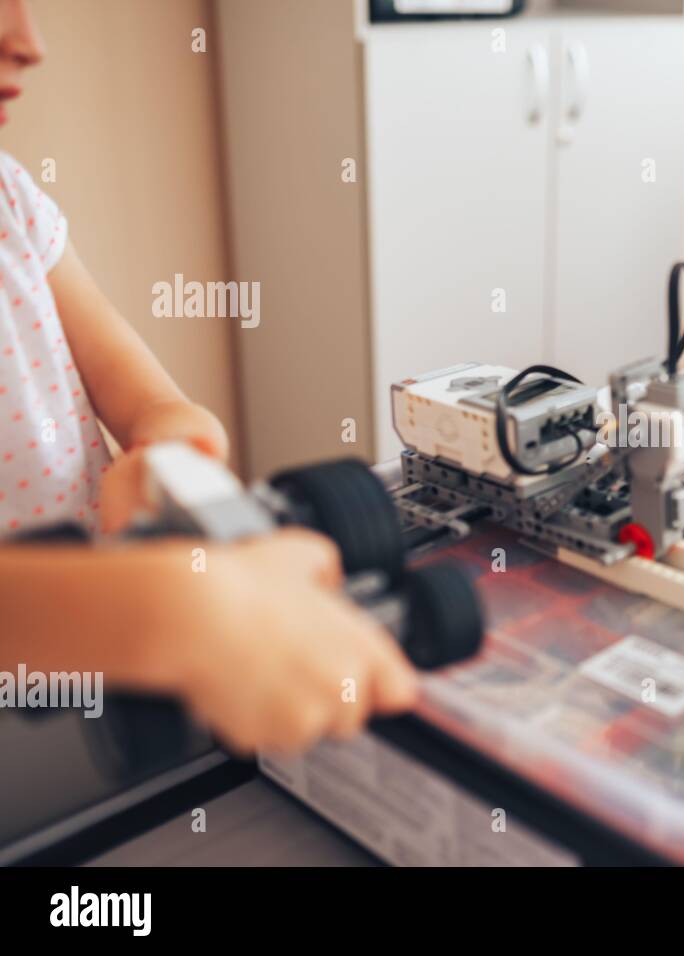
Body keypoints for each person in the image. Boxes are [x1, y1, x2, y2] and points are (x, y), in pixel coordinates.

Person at [0, 0, 417, 753]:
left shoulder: (11, 201)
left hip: (110, 693)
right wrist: (162, 612)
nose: (30, 43)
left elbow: (149, 400)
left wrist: (170, 449)